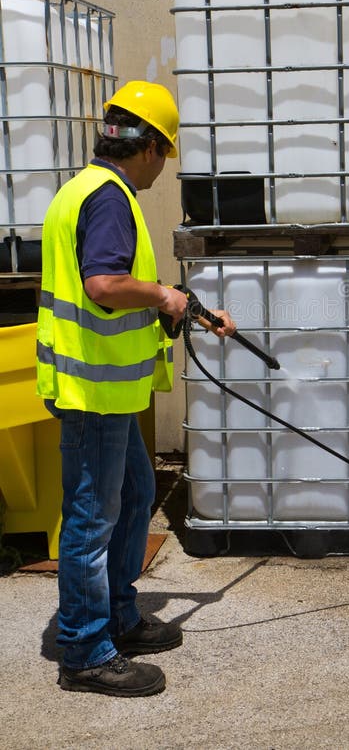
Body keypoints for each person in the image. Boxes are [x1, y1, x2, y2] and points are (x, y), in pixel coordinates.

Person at [36, 80, 235, 697]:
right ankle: (86, 649)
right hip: (93, 392)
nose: (163, 168)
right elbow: (103, 284)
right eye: (165, 154)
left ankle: (118, 615)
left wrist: (184, 307)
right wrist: (162, 295)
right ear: (147, 146)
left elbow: (114, 286)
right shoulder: (109, 198)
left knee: (135, 492)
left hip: (105, 390)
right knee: (94, 517)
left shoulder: (85, 189)